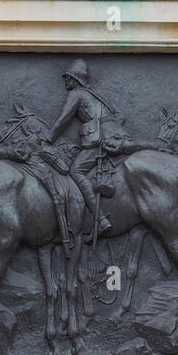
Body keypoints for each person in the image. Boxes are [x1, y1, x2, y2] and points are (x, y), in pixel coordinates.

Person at [45, 60, 114, 235]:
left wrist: (47, 139)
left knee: (76, 170)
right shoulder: (97, 96)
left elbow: (63, 119)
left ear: (76, 79)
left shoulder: (77, 94)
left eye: (68, 78)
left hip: (98, 141)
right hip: (112, 138)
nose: (65, 81)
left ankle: (100, 219)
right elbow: (119, 117)